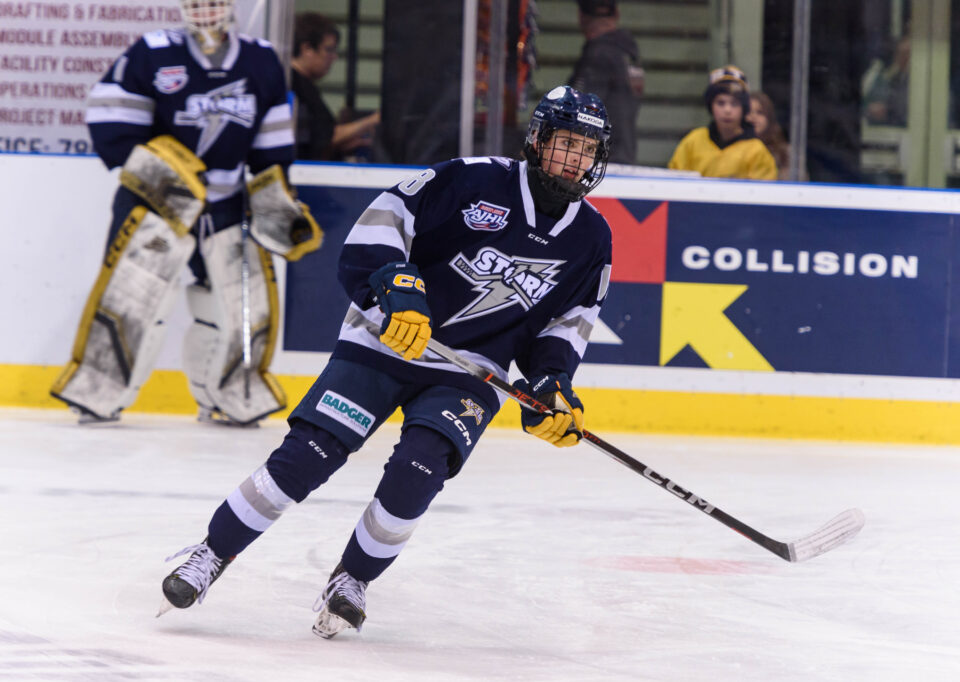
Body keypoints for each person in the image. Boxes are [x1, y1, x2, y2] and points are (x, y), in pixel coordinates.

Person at [159, 85, 614, 639]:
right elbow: (379, 226)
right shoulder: (470, 179)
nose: (577, 159)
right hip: (384, 344)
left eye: (588, 149)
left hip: (468, 372)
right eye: (568, 143)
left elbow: (568, 322)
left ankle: (352, 579)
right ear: (539, 140)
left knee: (416, 475)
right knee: (307, 458)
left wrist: (552, 382)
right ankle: (211, 555)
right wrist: (397, 288)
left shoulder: (593, 237)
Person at [50, 0, 324, 426]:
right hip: (157, 202)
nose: (205, 10)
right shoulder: (152, 51)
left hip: (230, 203)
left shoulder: (260, 59)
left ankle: (225, 395)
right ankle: (98, 392)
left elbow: (271, 150)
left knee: (236, 308)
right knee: (134, 299)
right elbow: (113, 126)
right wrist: (165, 180)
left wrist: (277, 204)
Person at [291, 12, 381, 161]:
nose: (334, 57)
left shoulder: (305, 86)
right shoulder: (295, 86)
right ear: (307, 49)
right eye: (329, 50)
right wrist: (372, 120)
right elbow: (323, 138)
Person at [668, 65, 777, 180]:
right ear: (711, 106)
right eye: (720, 103)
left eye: (734, 104)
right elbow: (674, 181)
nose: (727, 110)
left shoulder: (757, 151)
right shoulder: (693, 141)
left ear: (744, 109)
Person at [568, 0, 643, 165]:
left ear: (581, 17)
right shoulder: (628, 54)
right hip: (624, 155)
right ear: (617, 13)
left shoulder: (597, 55)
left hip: (597, 161)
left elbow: (579, 111)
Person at [747, 91, 794, 180]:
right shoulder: (734, 148)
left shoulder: (784, 153)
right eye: (749, 112)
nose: (753, 117)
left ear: (769, 118)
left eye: (760, 112)